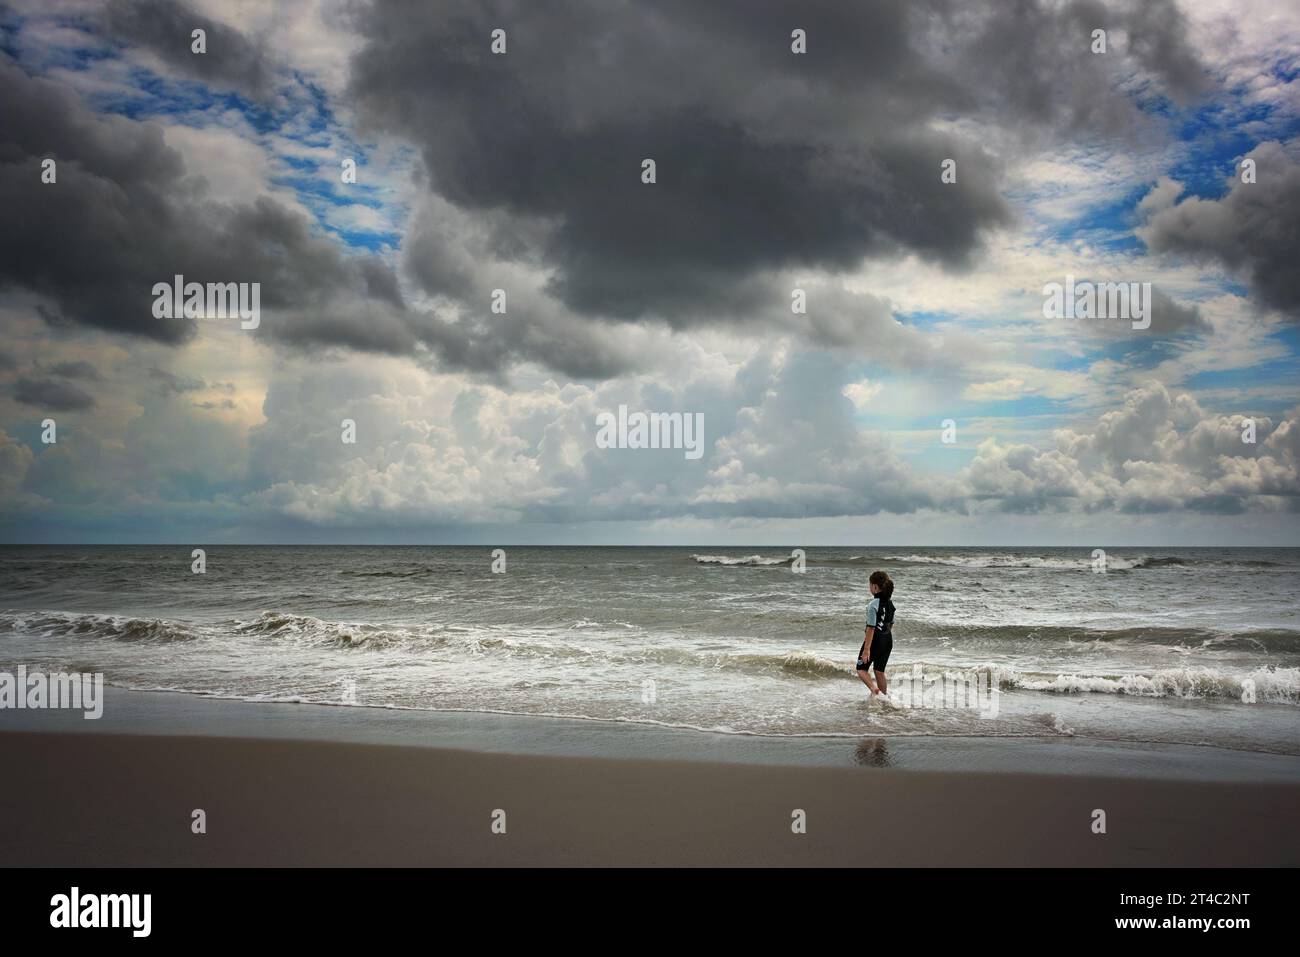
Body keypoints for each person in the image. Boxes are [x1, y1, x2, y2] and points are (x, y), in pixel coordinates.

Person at [856, 570, 895, 697]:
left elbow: (871, 628)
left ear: (874, 586)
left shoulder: (873, 604)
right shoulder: (890, 604)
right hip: (887, 640)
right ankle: (884, 698)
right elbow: (890, 624)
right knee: (879, 671)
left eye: (870, 585)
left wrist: (866, 650)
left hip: (875, 640)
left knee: (861, 669)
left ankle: (874, 690)